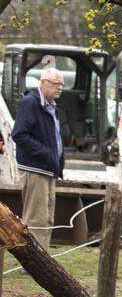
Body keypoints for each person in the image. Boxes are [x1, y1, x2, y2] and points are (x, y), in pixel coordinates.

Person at [9, 64, 66, 249]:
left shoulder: (51, 106)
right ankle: (33, 262)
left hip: (48, 169)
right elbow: (19, 134)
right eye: (56, 83)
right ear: (43, 82)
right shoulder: (31, 102)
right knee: (36, 218)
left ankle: (44, 258)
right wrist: (46, 154)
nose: (60, 88)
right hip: (36, 169)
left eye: (62, 85)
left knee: (47, 217)